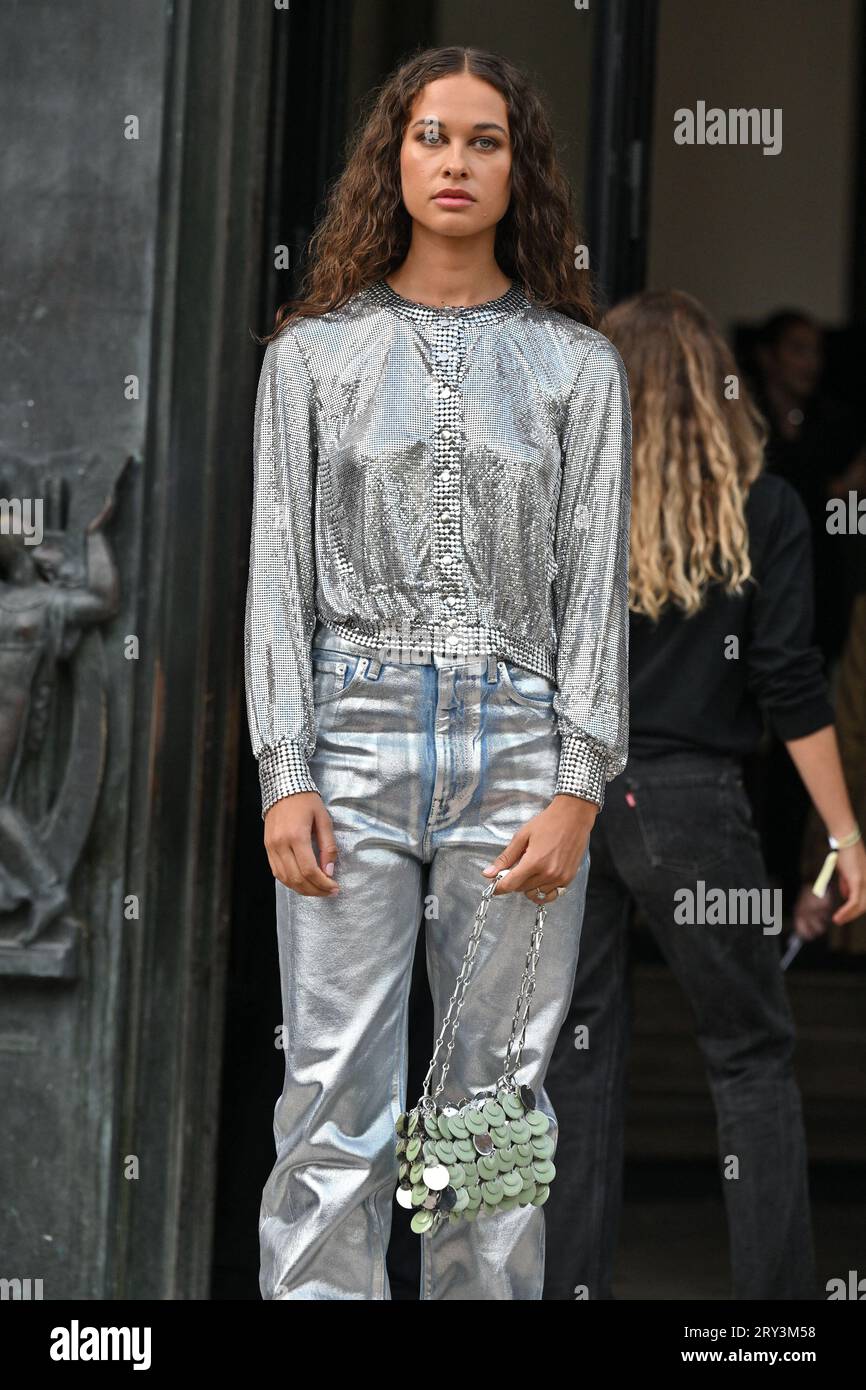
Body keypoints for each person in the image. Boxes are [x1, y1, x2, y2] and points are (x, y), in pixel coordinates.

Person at [243, 46, 632, 1300]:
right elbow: (278, 581)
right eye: (429, 137)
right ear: (391, 159)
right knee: (329, 1104)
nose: (454, 162)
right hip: (347, 745)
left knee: (492, 1115)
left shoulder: (578, 368)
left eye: (482, 140)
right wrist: (282, 768)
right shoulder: (310, 358)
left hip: (522, 754)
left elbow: (590, 598)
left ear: (518, 169)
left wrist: (580, 783)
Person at [542, 289, 866, 1302]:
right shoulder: (761, 504)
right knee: (750, 1054)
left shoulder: (565, 493)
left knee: (577, 1058)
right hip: (688, 803)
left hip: (566, 792)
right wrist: (845, 831)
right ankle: (770, 1313)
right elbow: (787, 678)